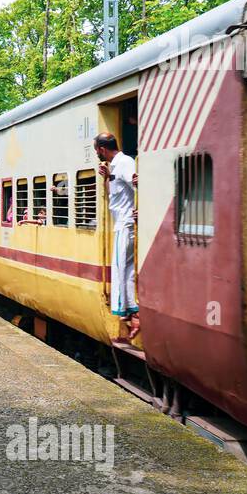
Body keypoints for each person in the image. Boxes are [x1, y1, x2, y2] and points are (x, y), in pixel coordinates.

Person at [96, 132, 140, 340]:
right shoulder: (114, 167)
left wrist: (142, 208)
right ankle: (131, 312)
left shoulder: (125, 163)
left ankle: (133, 312)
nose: (97, 153)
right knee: (123, 269)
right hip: (120, 224)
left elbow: (138, 186)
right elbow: (113, 197)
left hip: (126, 225)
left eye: (97, 150)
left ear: (102, 149)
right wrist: (106, 177)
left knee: (122, 269)